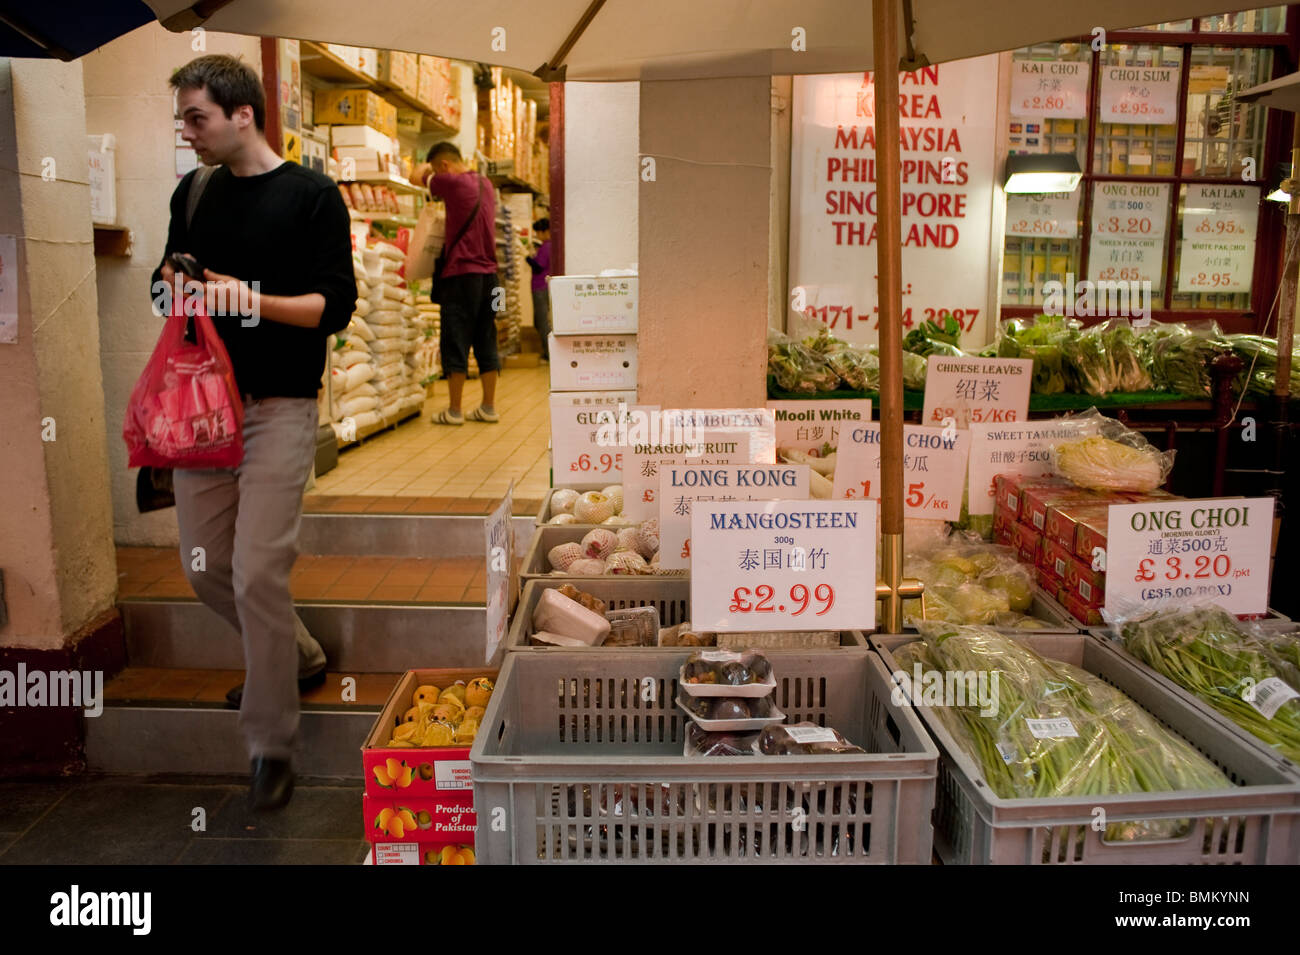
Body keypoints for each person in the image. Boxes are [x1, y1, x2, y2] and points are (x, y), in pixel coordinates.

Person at [150, 55, 355, 810]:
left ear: (243, 114)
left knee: (257, 571)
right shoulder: (193, 191)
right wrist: (171, 285)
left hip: (279, 408)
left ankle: (269, 741)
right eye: (183, 118)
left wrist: (250, 299)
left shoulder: (312, 196)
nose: (187, 131)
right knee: (205, 566)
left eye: (196, 116)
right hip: (203, 408)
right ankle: (295, 652)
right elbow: (160, 282)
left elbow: (334, 308)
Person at [408, 143, 501, 424]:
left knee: (455, 338)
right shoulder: (486, 183)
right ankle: (488, 407)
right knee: (487, 337)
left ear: (445, 166)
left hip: (462, 275)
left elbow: (415, 176)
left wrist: (428, 167)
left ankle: (455, 410)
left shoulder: (449, 181)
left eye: (437, 168)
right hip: (493, 280)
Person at [527, 218, 552, 361]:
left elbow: (538, 266)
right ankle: (548, 352)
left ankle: (549, 354)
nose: (537, 235)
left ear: (544, 231)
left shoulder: (546, 246)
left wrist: (528, 258)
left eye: (538, 232)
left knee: (542, 321)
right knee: (541, 320)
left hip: (541, 287)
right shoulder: (548, 246)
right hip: (543, 286)